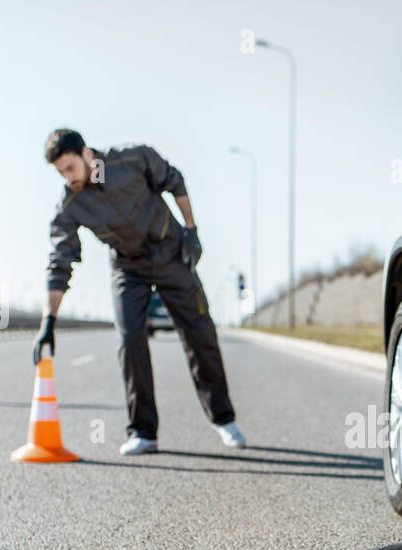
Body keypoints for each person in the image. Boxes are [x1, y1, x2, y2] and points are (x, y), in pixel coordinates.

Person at [35, 128, 246, 453]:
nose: (67, 178)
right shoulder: (71, 204)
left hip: (170, 252)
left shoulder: (132, 159)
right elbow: (60, 261)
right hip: (128, 267)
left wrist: (191, 230)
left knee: (199, 333)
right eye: (60, 173)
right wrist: (49, 321)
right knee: (130, 338)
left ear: (87, 154)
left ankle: (224, 419)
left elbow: (175, 180)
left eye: (70, 168)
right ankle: (144, 432)